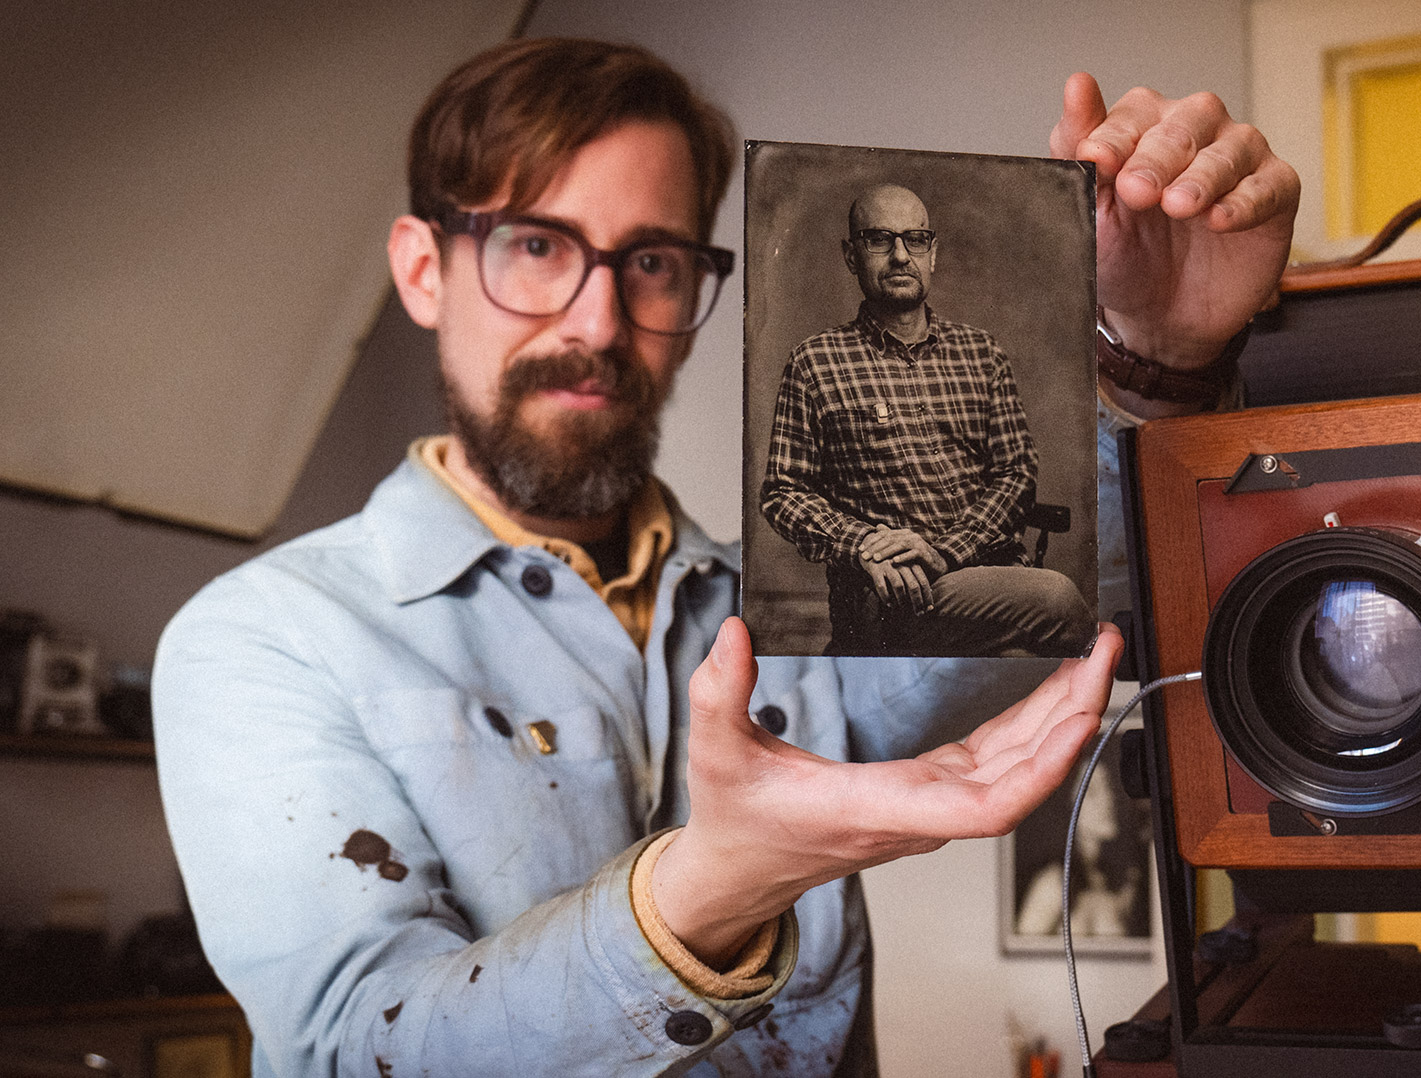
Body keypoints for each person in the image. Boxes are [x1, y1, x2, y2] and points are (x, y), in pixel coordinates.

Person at [151, 35, 1296, 1078]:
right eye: (536, 245)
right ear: (421, 269)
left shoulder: (779, 612)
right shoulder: (263, 637)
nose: (596, 323)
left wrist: (1157, 357)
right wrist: (711, 890)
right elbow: (357, 1050)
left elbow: (1066, 589)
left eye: (650, 262)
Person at [760, 183, 1092, 657]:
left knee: (1017, 665)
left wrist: (946, 552)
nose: (900, 255)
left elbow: (1017, 473)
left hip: (991, 574)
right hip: (895, 591)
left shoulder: (982, 353)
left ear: (932, 253)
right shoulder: (815, 362)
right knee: (1057, 598)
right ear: (851, 255)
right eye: (879, 239)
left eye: (915, 239)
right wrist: (861, 545)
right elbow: (782, 492)